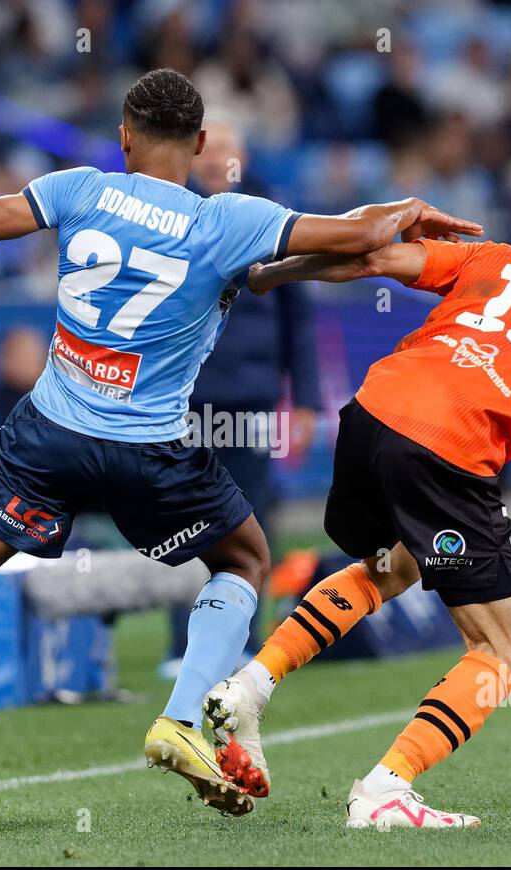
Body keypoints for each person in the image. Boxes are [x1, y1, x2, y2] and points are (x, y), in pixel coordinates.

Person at [0, 67, 481, 833]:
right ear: (203, 141)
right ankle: (179, 720)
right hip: (150, 450)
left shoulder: (79, 188)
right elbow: (354, 235)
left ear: (123, 137)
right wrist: (405, 210)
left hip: (46, 436)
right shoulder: (228, 220)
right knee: (246, 560)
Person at [204, 238, 511, 829]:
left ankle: (250, 686)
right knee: (508, 651)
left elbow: (372, 258)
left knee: (394, 565)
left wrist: (272, 274)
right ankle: (383, 791)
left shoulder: (507, 258)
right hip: (449, 446)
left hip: (372, 410)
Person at [159, 118, 321, 679]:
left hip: (252, 400)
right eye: (209, 148)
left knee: (252, 516)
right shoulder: (171, 213)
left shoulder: (272, 219)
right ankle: (181, 645)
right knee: (181, 515)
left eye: (228, 147)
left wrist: (305, 400)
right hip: (184, 398)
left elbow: (300, 319)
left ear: (242, 156)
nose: (217, 158)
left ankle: (247, 637)